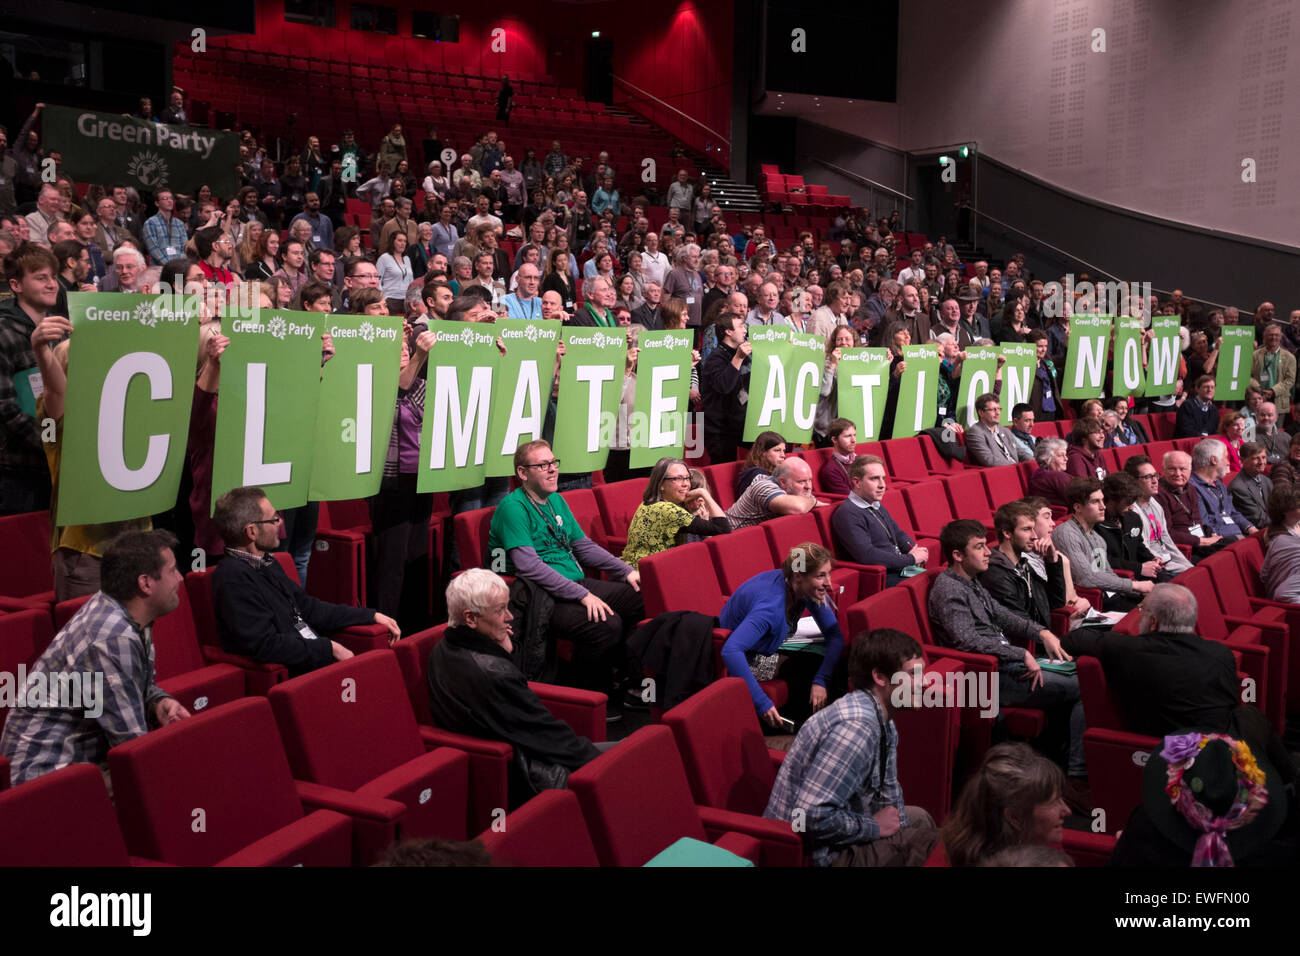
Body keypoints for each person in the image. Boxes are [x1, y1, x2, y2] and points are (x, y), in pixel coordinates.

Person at [0, 530, 191, 786]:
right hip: (45, 774)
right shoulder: (112, 639)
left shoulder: (128, 611)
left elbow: (137, 686)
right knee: (177, 781)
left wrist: (159, 702)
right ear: (145, 584)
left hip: (82, 758)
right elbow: (133, 746)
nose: (180, 578)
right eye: (172, 570)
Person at [763, 627, 941, 866]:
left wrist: (900, 830)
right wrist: (874, 827)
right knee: (937, 845)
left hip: (847, 826)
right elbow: (808, 817)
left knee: (921, 821)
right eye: (913, 674)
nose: (923, 683)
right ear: (880, 677)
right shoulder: (857, 728)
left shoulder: (884, 719)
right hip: (817, 853)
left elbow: (889, 795)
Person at [427, 569, 609, 800]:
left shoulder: (442, 649)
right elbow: (546, 733)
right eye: (500, 610)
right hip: (534, 773)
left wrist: (504, 651)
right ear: (471, 618)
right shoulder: (495, 673)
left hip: (515, 756)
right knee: (631, 758)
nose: (510, 617)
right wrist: (602, 766)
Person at [928, 520, 1086, 785]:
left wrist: (1041, 633)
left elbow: (1003, 615)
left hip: (1007, 662)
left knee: (1081, 671)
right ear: (957, 555)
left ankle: (1054, 759)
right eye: (979, 547)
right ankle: (1077, 777)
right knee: (1085, 687)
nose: (988, 552)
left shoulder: (971, 581)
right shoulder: (949, 589)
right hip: (987, 676)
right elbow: (965, 640)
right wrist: (1019, 653)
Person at [487, 439, 644, 702]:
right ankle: (581, 694)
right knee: (607, 624)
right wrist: (581, 595)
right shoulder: (513, 507)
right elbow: (528, 567)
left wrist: (626, 570)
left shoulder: (556, 501)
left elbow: (583, 547)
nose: (552, 470)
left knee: (640, 596)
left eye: (553, 463)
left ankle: (624, 676)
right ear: (522, 473)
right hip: (540, 594)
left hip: (574, 583)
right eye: (543, 465)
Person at [212, 486, 399, 676]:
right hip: (297, 677)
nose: (280, 522)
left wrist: (369, 616)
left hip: (315, 659)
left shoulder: (266, 562)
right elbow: (265, 645)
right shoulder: (232, 578)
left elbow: (310, 608)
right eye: (273, 518)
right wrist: (329, 648)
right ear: (251, 532)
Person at [1061, 584, 1239, 737]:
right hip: (1225, 754)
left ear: (1153, 622)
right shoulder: (1222, 654)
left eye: (1142, 609)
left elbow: (1072, 640)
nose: (1140, 614)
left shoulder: (1128, 649)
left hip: (1161, 756)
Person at [720, 543, 845, 726]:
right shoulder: (770, 608)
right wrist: (762, 702)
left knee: (836, 664)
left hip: (769, 645)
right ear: (798, 576)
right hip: (742, 659)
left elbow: (835, 636)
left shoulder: (803, 587)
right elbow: (730, 651)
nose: (829, 583)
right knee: (806, 669)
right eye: (821, 576)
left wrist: (821, 680)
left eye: (828, 574)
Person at [1, 243, 63, 514]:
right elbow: (5, 408)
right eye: (41, 277)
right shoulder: (5, 333)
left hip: (56, 462)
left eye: (53, 277)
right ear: (16, 284)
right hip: (18, 470)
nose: (52, 284)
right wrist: (50, 442)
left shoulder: (60, 329)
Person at [940, 743, 1070, 867]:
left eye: (1061, 798)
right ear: (1015, 817)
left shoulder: (1039, 842)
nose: (1067, 811)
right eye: (1053, 802)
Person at [1052, 477, 1154, 611]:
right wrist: (1135, 585)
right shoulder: (1066, 533)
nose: (1103, 506)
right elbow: (1087, 578)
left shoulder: (1097, 537)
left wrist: (1138, 592)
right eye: (1095, 502)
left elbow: (1104, 572)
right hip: (1090, 602)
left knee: (1157, 602)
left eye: (1102, 500)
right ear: (1077, 507)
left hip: (1110, 596)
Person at [980, 500, 1082, 631]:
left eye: (1033, 529)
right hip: (1033, 645)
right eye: (1027, 529)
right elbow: (1020, 626)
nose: (1034, 537)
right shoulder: (996, 575)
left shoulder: (1022, 564)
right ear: (1007, 533)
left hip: (1044, 637)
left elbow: (1056, 602)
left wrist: (1052, 561)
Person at [831, 455, 927, 587]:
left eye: (883, 478)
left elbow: (897, 533)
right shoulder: (847, 513)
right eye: (874, 479)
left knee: (936, 578)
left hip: (898, 568)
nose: (882, 485)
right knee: (928, 585)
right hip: (882, 576)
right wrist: (910, 559)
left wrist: (913, 549)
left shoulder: (875, 504)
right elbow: (867, 555)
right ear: (857, 482)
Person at [620, 457, 730, 569]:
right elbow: (723, 528)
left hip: (634, 569)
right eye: (678, 479)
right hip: (646, 576)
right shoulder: (668, 510)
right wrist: (704, 493)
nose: (686, 484)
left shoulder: (648, 503)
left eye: (687, 478)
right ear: (661, 484)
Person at [698, 308, 752, 465]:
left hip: (738, 424)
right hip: (719, 431)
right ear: (728, 331)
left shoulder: (743, 355)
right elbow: (724, 386)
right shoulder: (715, 358)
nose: (745, 329)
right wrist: (738, 358)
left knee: (767, 446)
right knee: (723, 472)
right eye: (741, 326)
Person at [1096, 472, 1172, 582]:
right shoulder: (1096, 524)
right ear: (1113, 499)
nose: (1132, 508)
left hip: (1136, 574)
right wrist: (1139, 568)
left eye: (1133, 502)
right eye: (1128, 502)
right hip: (1114, 579)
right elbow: (1103, 561)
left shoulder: (1133, 518)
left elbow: (1138, 545)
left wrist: (1151, 558)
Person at [1156, 449, 1225, 560]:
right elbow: (1167, 533)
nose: (1178, 474)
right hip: (1180, 550)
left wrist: (1209, 534)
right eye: (1172, 469)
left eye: (1183, 469)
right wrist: (1201, 541)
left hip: (1198, 541)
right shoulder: (1159, 494)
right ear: (1163, 470)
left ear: (1190, 470)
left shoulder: (1191, 488)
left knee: (1232, 543)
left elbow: (1197, 519)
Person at [727, 457, 824, 530]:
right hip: (727, 536)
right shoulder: (763, 487)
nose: (808, 486)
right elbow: (798, 508)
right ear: (783, 482)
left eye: (810, 480)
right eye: (801, 482)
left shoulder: (791, 490)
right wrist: (813, 500)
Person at [1189, 438, 1255, 544]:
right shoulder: (1192, 488)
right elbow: (1205, 524)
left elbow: (1232, 512)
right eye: (1225, 457)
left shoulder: (1218, 483)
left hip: (1237, 535)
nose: (1228, 462)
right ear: (1213, 460)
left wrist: (1250, 527)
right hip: (1222, 540)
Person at [964, 393, 1033, 466]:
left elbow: (1020, 452)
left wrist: (1034, 463)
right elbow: (989, 460)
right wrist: (1016, 468)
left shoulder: (1005, 430)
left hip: (1016, 469)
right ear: (981, 413)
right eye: (993, 410)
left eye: (999, 409)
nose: (998, 413)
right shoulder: (975, 432)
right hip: (1002, 472)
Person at [1261, 485, 1300, 604]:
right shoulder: (1277, 536)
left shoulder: (1297, 524)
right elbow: (1266, 576)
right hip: (1289, 590)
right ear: (1285, 510)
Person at [1250, 323, 1296, 420]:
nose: (1273, 337)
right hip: (1259, 397)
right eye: (1270, 335)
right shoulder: (1255, 355)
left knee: (1276, 432)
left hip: (1279, 400)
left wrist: (1273, 391)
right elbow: (1248, 376)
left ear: (1280, 337)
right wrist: (1258, 389)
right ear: (1265, 337)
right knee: (1259, 431)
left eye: (1276, 335)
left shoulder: (1289, 357)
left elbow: (1290, 380)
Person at [1229, 442, 1273, 531]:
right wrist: (1285, 522)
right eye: (1256, 458)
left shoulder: (1266, 480)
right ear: (1242, 460)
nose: (1261, 462)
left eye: (1263, 457)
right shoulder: (1238, 488)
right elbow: (1259, 520)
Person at [736, 431, 786, 497]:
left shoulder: (774, 472)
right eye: (777, 450)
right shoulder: (756, 474)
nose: (783, 455)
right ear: (762, 452)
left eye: (784, 451)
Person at [1026, 437, 1071, 508]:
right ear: (1047, 460)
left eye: (1065, 455)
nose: (1066, 459)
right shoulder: (1055, 477)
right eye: (1060, 455)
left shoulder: (1041, 475)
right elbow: (1080, 497)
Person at [817, 418, 859, 495]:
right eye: (848, 436)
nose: (853, 440)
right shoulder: (830, 470)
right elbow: (851, 499)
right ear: (834, 440)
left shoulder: (860, 461)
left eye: (854, 435)